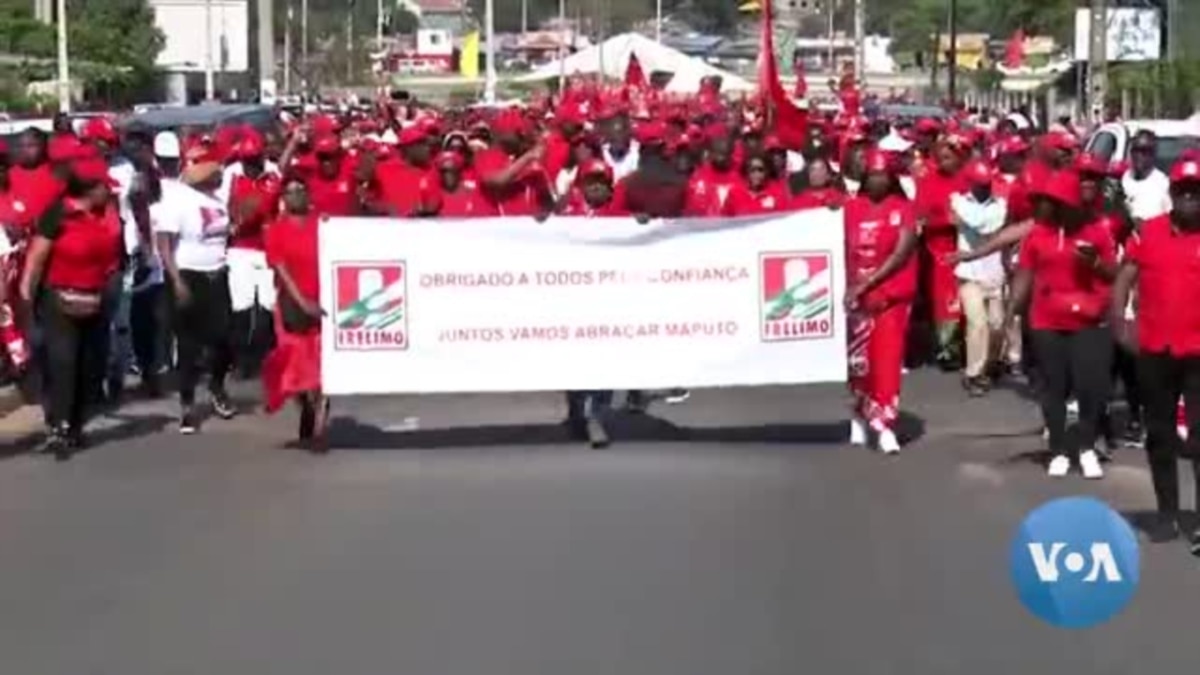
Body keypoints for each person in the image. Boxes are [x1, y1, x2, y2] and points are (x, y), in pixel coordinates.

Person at [1111, 157, 1200, 547]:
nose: (1190, 199)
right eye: (1184, 191)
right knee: (1160, 435)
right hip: (1155, 349)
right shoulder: (1149, 232)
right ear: (1173, 194)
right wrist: (1120, 324)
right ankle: (1167, 515)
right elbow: (1124, 279)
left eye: (1197, 193)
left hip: (1197, 352)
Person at [1004, 171, 1116, 479]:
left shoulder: (1098, 231)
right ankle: (1058, 449)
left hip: (1089, 321)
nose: (1047, 206)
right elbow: (1024, 275)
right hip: (1047, 321)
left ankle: (1087, 447)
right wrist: (1011, 312)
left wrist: (1095, 264)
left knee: (1090, 387)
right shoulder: (1037, 235)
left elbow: (1114, 274)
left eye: (1054, 201)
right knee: (1053, 388)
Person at [18, 156, 122, 458]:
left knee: (89, 365)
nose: (108, 192)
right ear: (89, 188)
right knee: (63, 362)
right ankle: (59, 427)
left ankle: (75, 424)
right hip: (58, 299)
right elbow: (36, 260)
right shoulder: (58, 214)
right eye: (104, 187)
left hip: (94, 298)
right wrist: (26, 299)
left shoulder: (106, 215)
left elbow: (114, 255)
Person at [153, 156, 238, 434]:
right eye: (215, 173)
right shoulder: (178, 201)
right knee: (188, 344)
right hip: (190, 275)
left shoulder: (217, 202)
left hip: (218, 274)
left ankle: (217, 386)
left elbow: (221, 235)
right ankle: (187, 406)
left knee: (224, 337)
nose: (220, 177)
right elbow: (164, 243)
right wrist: (176, 280)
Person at [843, 150, 919, 455]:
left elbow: (901, 254)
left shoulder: (903, 208)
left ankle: (885, 425)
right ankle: (858, 415)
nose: (877, 181)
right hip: (856, 302)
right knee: (859, 364)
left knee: (886, 361)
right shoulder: (851, 208)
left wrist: (869, 284)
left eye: (882, 175)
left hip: (890, 297)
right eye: (872, 175)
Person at [262, 175, 328, 452]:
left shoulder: (322, 225)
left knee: (322, 364)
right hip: (292, 304)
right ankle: (306, 406)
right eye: (290, 192)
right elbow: (281, 269)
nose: (296, 195)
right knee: (296, 366)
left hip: (323, 301)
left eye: (301, 190)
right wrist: (302, 302)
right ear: (283, 198)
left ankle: (320, 423)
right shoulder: (275, 230)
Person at [951, 159, 1007, 396]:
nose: (985, 188)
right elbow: (981, 224)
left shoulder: (1001, 204)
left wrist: (972, 221)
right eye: (980, 184)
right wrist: (975, 220)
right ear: (971, 183)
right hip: (969, 273)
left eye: (987, 184)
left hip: (995, 272)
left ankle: (990, 365)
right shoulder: (958, 200)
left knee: (997, 324)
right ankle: (973, 373)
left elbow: (984, 225)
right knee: (977, 324)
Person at [726, 154, 791, 216]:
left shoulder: (776, 194)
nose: (757, 174)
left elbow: (783, 219)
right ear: (747, 172)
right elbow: (725, 219)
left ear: (767, 172)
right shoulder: (735, 193)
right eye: (752, 170)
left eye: (760, 170)